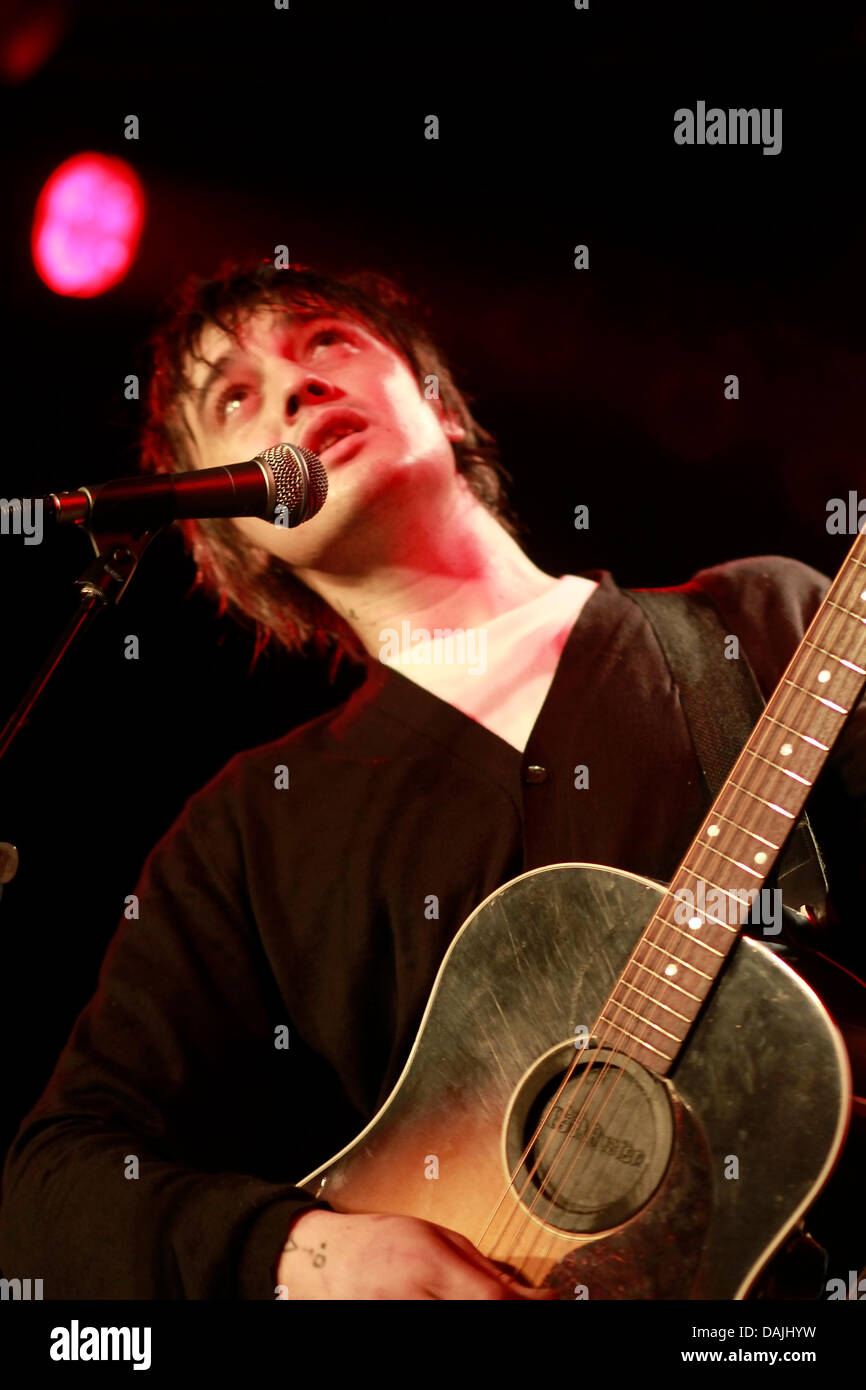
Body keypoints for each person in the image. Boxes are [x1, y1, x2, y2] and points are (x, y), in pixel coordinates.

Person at [0, 261, 863, 1300]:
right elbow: (56, 1185)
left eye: (325, 342)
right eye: (234, 396)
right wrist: (314, 1256)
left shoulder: (756, 624)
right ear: (227, 532)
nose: (295, 388)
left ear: (441, 405)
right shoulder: (249, 830)